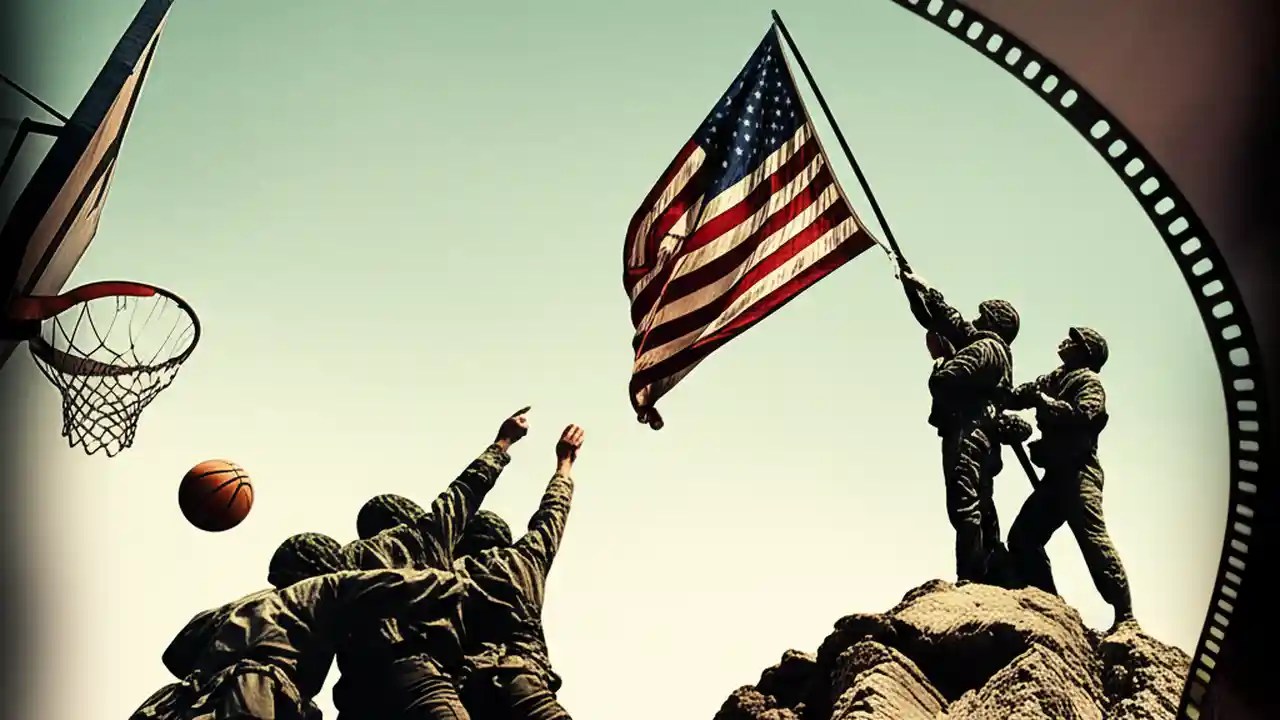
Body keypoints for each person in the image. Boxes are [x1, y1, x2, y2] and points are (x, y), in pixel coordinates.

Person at [129, 532, 467, 720]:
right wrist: (458, 584)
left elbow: (175, 656)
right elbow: (392, 585)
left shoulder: (233, 608)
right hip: (251, 700)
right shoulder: (320, 591)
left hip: (180, 708)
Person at [332, 409, 530, 719]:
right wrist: (503, 441)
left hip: (361, 693)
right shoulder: (428, 534)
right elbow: (468, 487)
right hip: (425, 680)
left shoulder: (344, 560)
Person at [449, 424, 584, 720]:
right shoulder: (527, 559)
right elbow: (553, 512)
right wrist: (565, 463)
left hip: (469, 688)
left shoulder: (450, 572)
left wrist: (503, 442)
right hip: (526, 682)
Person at [1005, 326, 1135, 628]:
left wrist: (1044, 403)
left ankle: (1125, 616)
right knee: (1023, 537)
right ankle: (1049, 605)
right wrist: (1002, 396)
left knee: (1093, 541)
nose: (1065, 341)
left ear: (1085, 352)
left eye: (1074, 341)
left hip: (1080, 475)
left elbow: (1084, 414)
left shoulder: (1089, 382)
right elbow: (1022, 394)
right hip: (1056, 477)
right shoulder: (1057, 377)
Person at [902, 272, 1020, 584]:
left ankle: (971, 575)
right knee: (982, 502)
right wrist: (922, 291)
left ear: (993, 323)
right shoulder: (992, 348)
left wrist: (941, 362)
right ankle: (990, 570)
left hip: (968, 433)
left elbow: (945, 381)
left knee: (965, 504)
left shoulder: (984, 349)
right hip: (982, 436)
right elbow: (950, 323)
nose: (974, 320)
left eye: (981, 317)